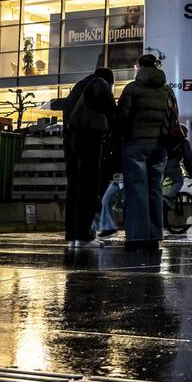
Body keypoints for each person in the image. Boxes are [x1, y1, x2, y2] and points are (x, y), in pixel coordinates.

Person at [117, 53, 173, 251]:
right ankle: (154, 235)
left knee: (137, 190)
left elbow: (122, 117)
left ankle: (137, 237)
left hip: (136, 145)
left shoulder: (132, 88)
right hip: (159, 147)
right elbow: (173, 117)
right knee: (155, 189)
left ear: (140, 67)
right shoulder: (167, 90)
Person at [61, 66, 116, 249]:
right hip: (88, 139)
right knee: (89, 186)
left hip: (70, 140)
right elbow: (111, 111)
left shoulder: (79, 86)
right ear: (109, 80)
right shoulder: (100, 84)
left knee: (74, 187)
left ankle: (72, 236)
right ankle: (84, 236)